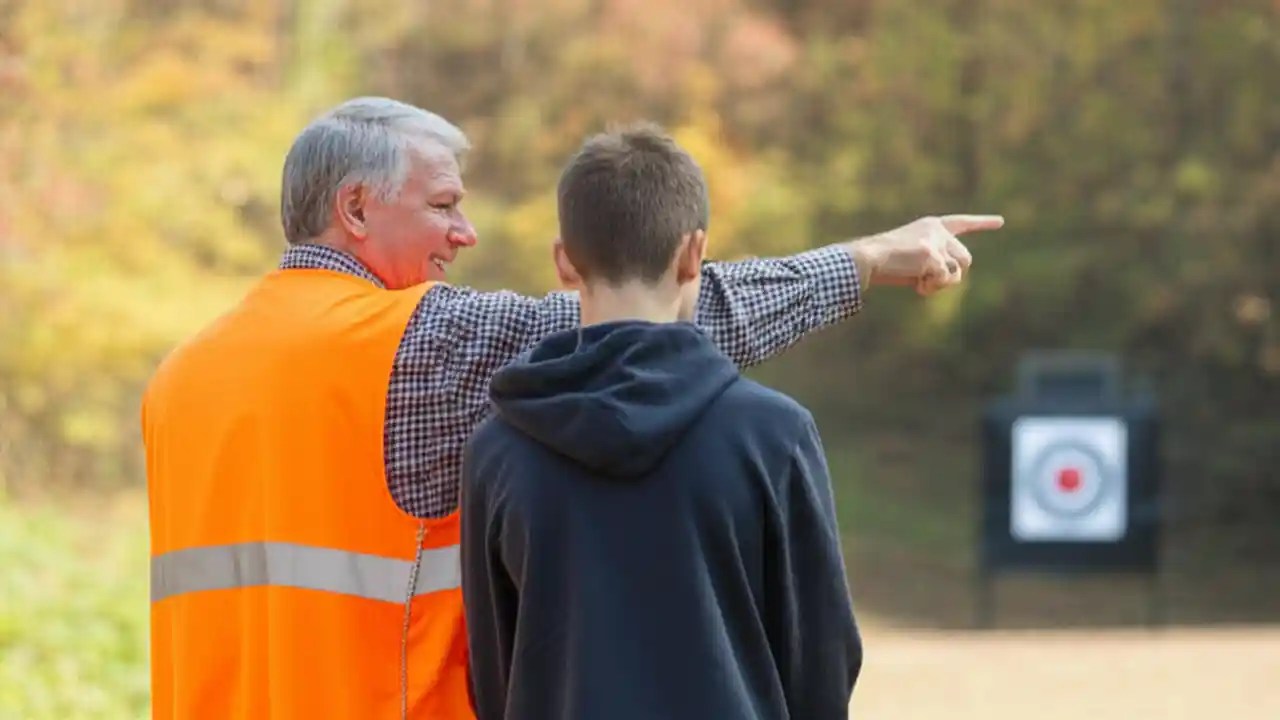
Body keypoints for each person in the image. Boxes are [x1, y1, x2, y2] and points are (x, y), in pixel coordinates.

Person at [141, 96, 1001, 719]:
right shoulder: (413, 345)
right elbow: (640, 313)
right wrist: (866, 260)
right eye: (444, 206)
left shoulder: (179, 380)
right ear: (355, 209)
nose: (466, 233)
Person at [461, 123, 862, 720]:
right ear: (694, 253)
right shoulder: (774, 436)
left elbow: (494, 670)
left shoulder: (497, 450)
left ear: (564, 262)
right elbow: (822, 657)